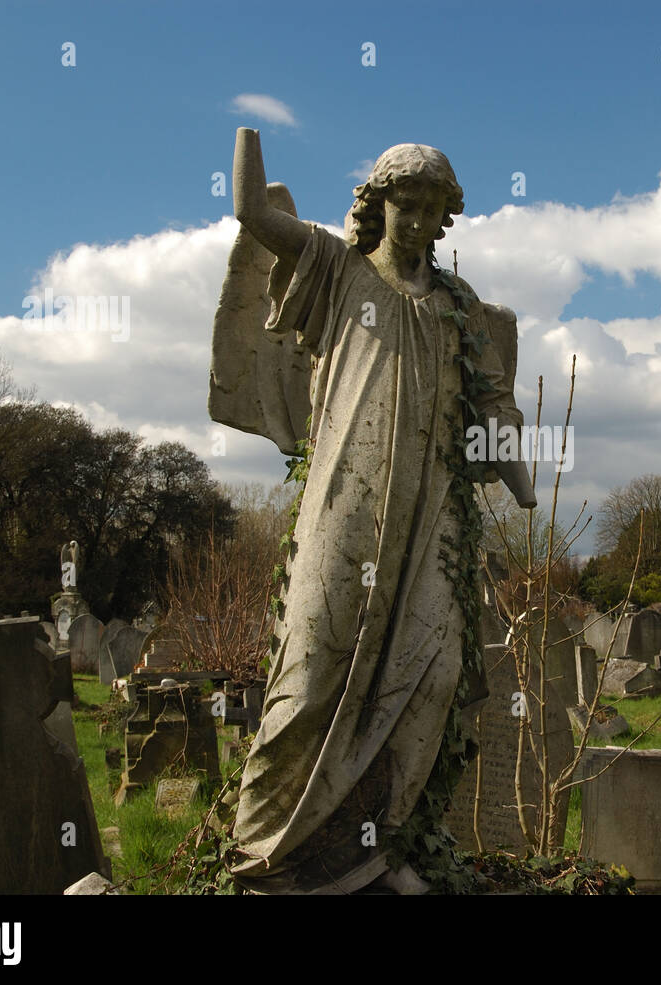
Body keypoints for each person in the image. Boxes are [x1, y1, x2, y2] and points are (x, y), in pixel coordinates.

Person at [209, 129, 535, 893]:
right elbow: (255, 214)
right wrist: (249, 133)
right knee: (314, 661)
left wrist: (516, 465)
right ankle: (264, 854)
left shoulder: (458, 306)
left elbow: (494, 399)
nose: (418, 222)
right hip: (345, 507)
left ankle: (372, 852)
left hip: (431, 520)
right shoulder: (335, 268)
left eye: (432, 210)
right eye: (404, 204)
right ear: (376, 202)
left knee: (434, 672)